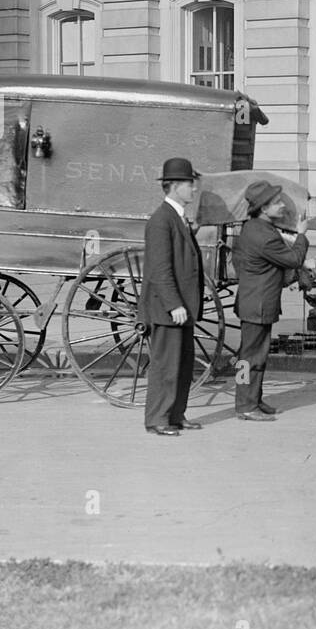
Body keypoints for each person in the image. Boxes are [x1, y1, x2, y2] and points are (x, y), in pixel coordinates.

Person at [231, 180, 311, 421]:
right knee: (249, 359)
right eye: (276, 202)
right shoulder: (264, 236)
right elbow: (293, 259)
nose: (282, 206)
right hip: (258, 304)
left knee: (254, 356)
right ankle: (245, 405)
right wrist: (301, 235)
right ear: (263, 208)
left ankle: (252, 399)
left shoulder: (255, 228)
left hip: (255, 303)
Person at [140, 157, 205, 436]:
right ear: (176, 186)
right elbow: (159, 269)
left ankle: (176, 414)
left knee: (182, 364)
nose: (193, 188)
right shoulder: (161, 220)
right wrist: (174, 304)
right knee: (166, 366)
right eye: (190, 183)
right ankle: (157, 418)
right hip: (170, 309)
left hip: (183, 308)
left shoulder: (176, 218)